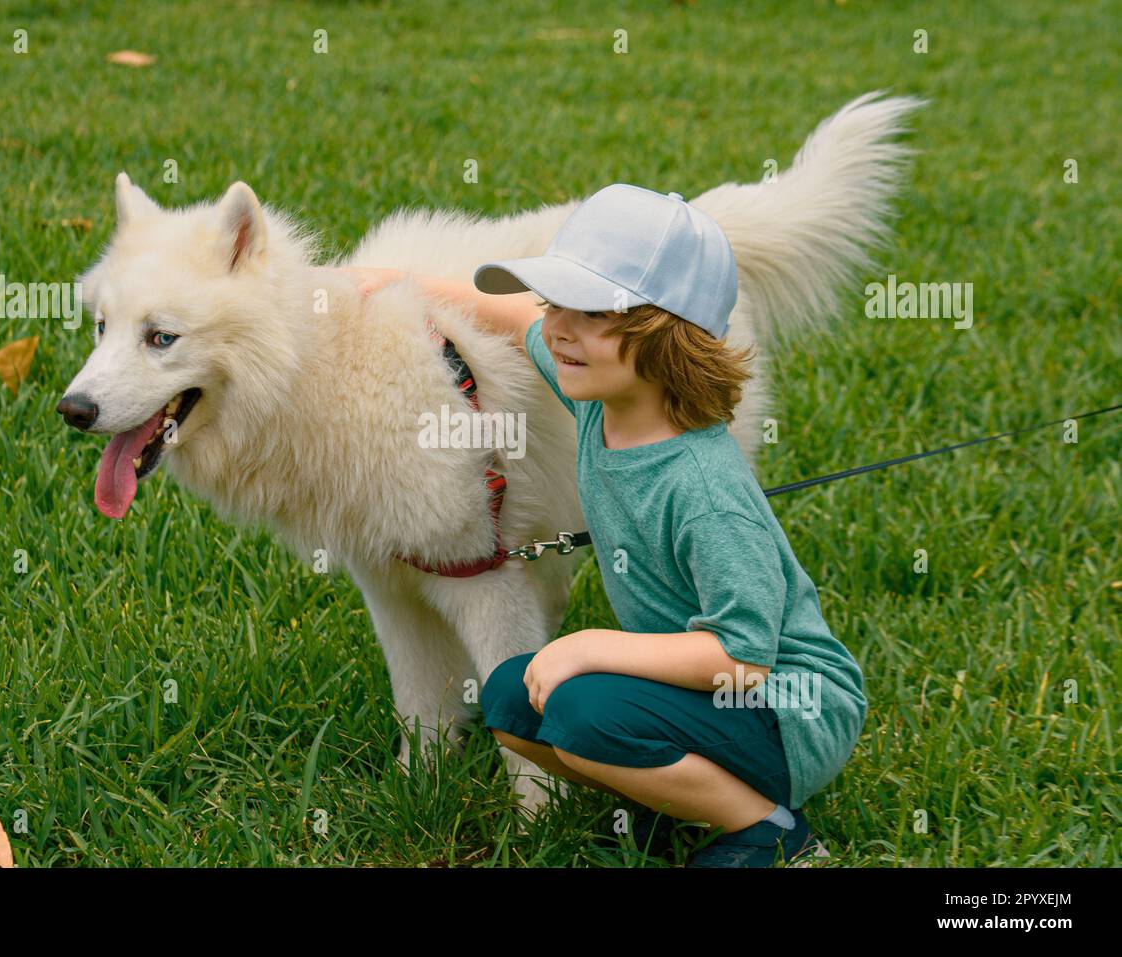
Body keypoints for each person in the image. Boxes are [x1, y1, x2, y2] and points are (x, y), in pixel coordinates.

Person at [339, 183, 867, 867]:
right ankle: (670, 797)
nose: (558, 327)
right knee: (510, 699)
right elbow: (511, 312)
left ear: (663, 332)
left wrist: (592, 645)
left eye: (587, 310)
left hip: (787, 713)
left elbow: (742, 656)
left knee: (584, 704)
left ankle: (769, 826)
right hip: (697, 695)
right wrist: (400, 283)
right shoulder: (601, 407)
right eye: (556, 302)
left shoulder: (705, 491)